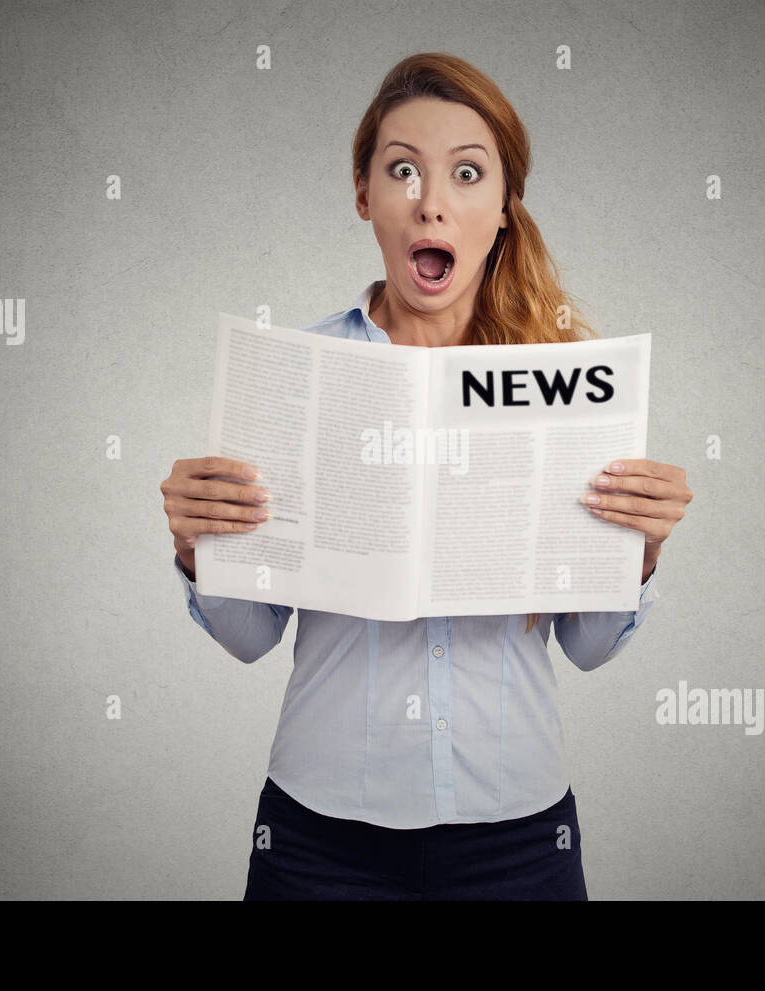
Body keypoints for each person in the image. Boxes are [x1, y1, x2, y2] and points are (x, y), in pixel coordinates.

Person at [159, 52, 692, 900]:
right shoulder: (298, 372)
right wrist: (198, 545)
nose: (430, 200)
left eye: (467, 174)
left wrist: (643, 549)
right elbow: (250, 635)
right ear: (364, 194)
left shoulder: (562, 384)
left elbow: (588, 647)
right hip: (318, 839)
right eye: (401, 169)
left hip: (518, 838)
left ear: (504, 211)